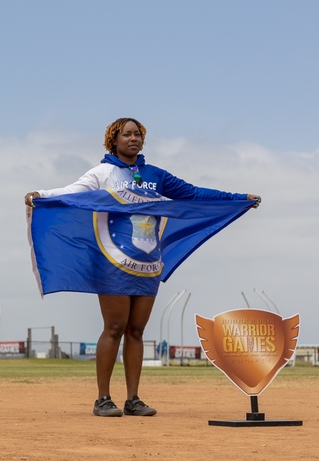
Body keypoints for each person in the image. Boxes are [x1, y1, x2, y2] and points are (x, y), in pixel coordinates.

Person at [24, 117, 260, 417]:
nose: (133, 139)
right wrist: (41, 196)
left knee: (136, 330)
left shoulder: (156, 175)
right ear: (114, 140)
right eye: (126, 134)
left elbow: (195, 194)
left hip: (148, 263)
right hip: (111, 262)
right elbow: (73, 191)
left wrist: (239, 199)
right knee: (114, 327)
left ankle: (133, 399)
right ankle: (103, 399)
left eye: (138, 134)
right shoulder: (103, 172)